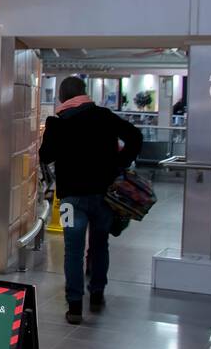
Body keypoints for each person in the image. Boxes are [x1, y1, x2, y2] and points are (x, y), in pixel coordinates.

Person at [38, 75, 142, 324]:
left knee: (72, 251)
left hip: (70, 199)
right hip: (103, 196)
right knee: (99, 244)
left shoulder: (58, 123)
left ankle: (75, 305)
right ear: (84, 93)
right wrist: (119, 164)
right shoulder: (104, 116)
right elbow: (135, 137)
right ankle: (97, 292)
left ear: (62, 97)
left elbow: (45, 155)